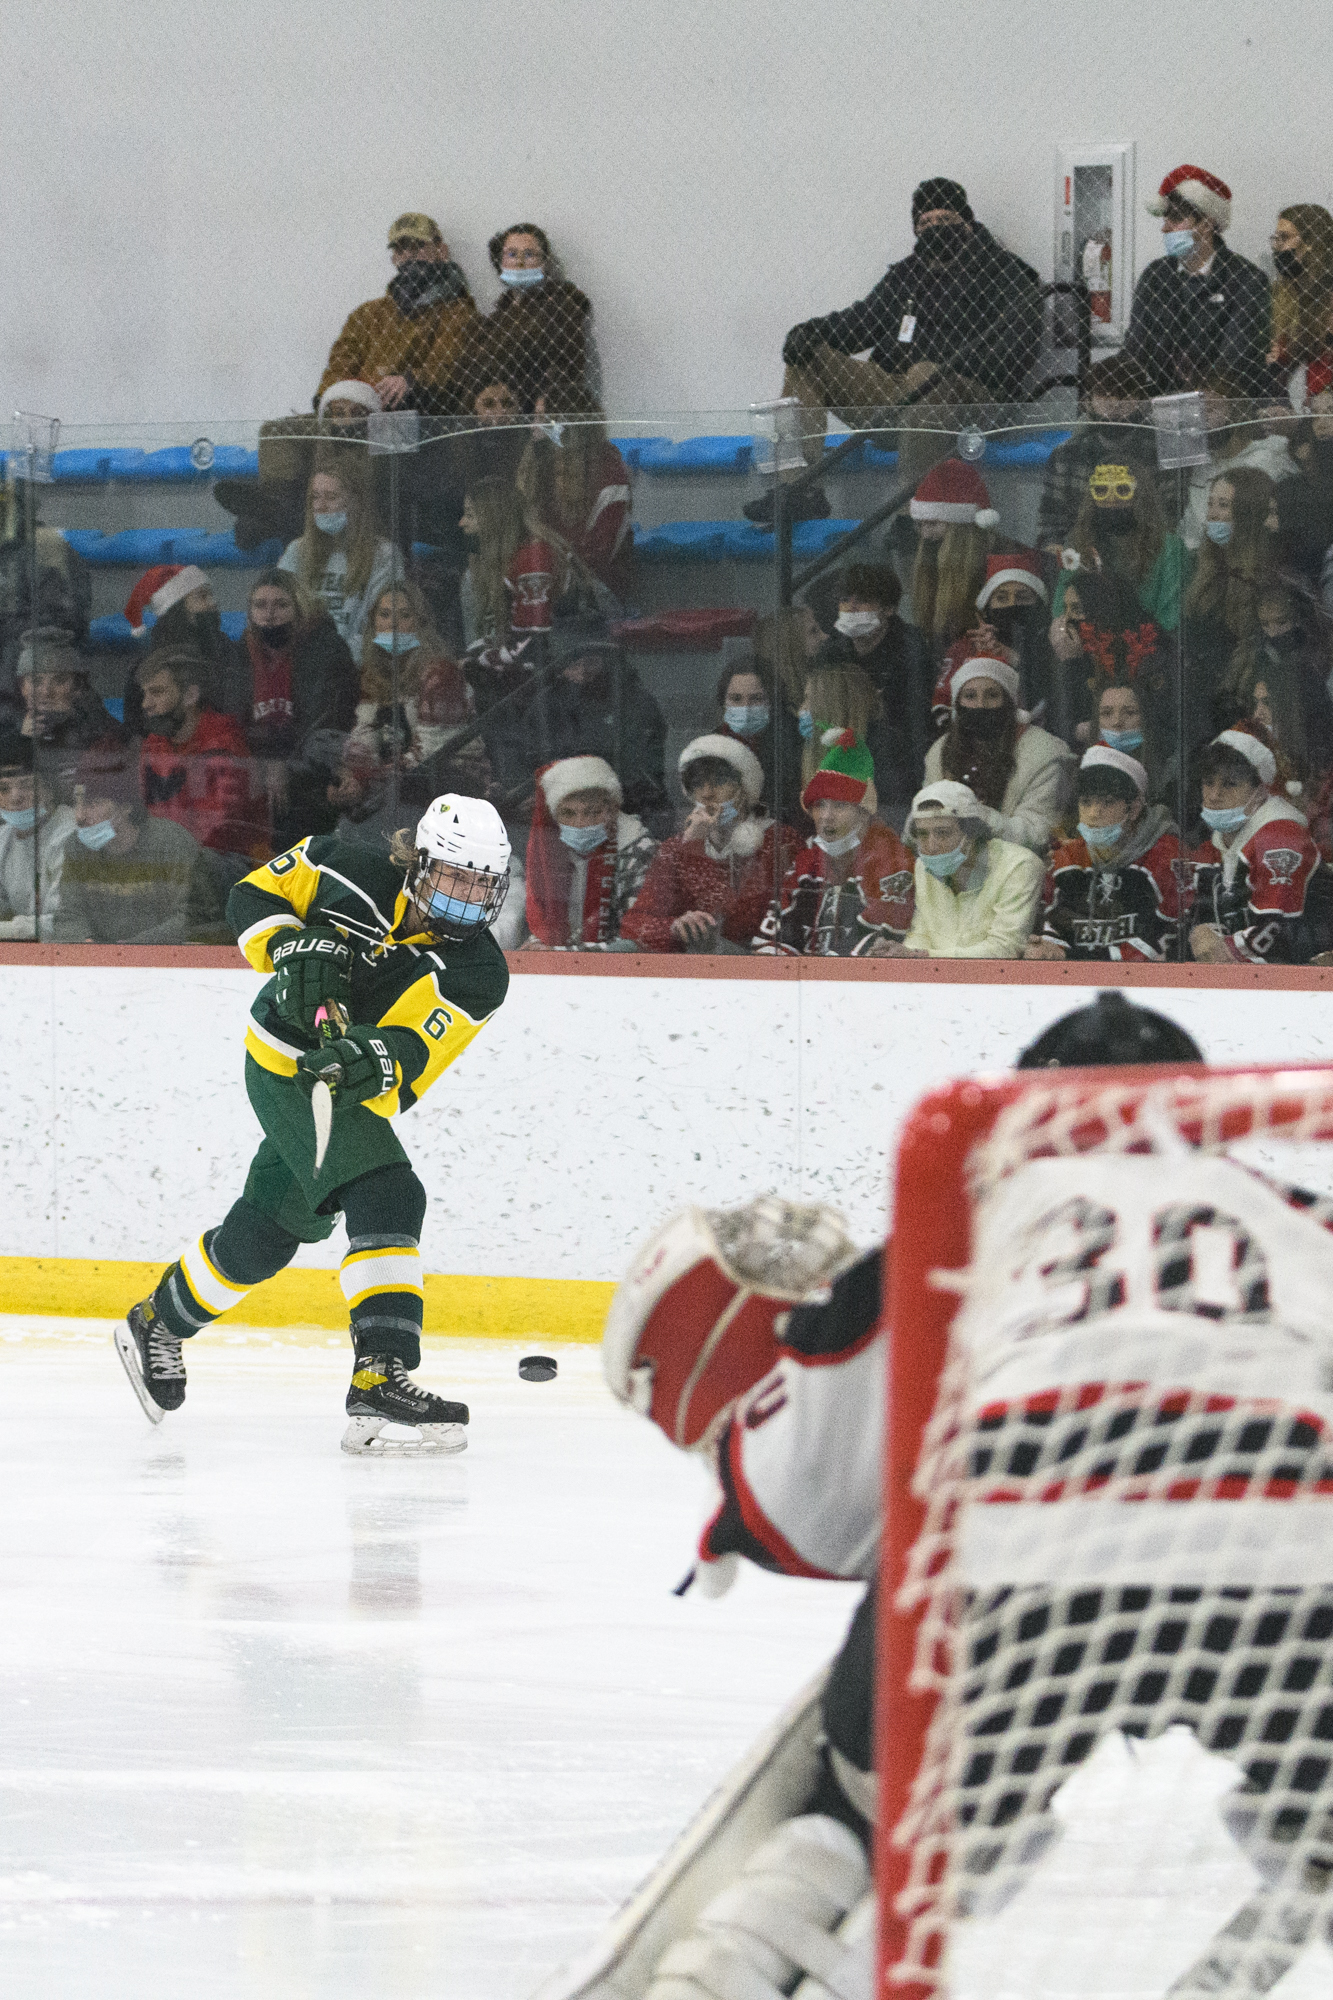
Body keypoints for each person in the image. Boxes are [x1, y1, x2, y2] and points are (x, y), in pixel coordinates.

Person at [114, 793, 512, 1456]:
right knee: (390, 1190)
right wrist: (289, 945)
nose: (468, 898)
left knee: (271, 1233)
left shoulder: (478, 971)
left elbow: (414, 1051)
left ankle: (158, 1320)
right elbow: (249, 894)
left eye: (483, 885)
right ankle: (380, 1370)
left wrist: (371, 1057)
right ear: (420, 864)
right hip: (280, 1061)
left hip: (346, 1088)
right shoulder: (340, 865)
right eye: (454, 877)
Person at [754, 176, 1043, 519]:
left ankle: (915, 512)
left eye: (945, 219)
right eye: (925, 222)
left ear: (966, 222)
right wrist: (811, 331)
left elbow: (1015, 354)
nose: (935, 228)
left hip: (972, 400)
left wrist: (939, 362)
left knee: (925, 374)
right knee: (807, 355)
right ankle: (798, 491)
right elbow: (860, 323)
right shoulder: (906, 276)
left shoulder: (1006, 272)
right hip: (899, 396)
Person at [215, 569, 360, 851]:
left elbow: (327, 723)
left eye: (280, 605)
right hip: (256, 768)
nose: (269, 614)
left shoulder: (327, 650)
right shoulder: (237, 655)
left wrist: (285, 766)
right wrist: (267, 763)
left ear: (299, 607)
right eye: (260, 605)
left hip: (312, 770)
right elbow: (232, 721)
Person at [619, 736, 793, 954]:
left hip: (746, 959)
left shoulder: (778, 840)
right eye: (698, 784)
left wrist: (694, 851)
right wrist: (673, 927)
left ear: (744, 787)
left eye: (719, 782)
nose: (707, 793)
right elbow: (633, 923)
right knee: (623, 948)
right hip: (687, 956)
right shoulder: (675, 846)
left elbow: (734, 924)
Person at [52, 741, 228, 945]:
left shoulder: (170, 842)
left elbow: (194, 918)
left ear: (125, 807)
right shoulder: (77, 845)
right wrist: (84, 943)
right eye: (76, 802)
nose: (79, 815)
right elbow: (68, 914)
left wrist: (134, 950)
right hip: (102, 963)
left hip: (164, 962)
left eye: (92, 803)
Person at [502, 614, 668, 829]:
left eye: (590, 661)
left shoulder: (635, 702)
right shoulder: (543, 707)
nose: (582, 672)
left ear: (605, 659)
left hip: (629, 814)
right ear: (558, 663)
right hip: (559, 819)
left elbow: (648, 772)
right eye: (573, 663)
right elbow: (524, 762)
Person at [757, 730, 915, 956]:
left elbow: (882, 936)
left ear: (864, 812)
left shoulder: (893, 859)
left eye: (840, 805)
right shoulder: (807, 860)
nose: (826, 816)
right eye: (820, 805)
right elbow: (775, 936)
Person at [1026, 746, 1186, 963]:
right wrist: (1048, 947)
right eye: (1086, 802)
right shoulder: (1067, 858)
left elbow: (1161, 942)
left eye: (1107, 802)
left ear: (1134, 808)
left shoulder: (1165, 855)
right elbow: (1056, 925)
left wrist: (1071, 957)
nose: (1093, 813)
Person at [1123, 165, 1271, 396]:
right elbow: (1136, 349)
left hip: (1224, 408)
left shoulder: (1247, 279)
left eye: (1176, 218)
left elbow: (1236, 359)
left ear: (1206, 222)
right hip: (1157, 405)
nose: (1165, 228)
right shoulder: (1155, 276)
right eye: (1165, 218)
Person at [316, 212, 477, 416]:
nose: (408, 256)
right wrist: (338, 398)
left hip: (415, 413)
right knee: (276, 431)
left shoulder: (458, 310)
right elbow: (338, 367)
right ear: (393, 259)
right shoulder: (367, 314)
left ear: (441, 251)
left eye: (417, 246)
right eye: (400, 249)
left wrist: (410, 381)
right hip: (355, 413)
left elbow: (449, 364)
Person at [1188, 727, 1323, 964]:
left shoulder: (1281, 836)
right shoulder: (1217, 843)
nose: (1214, 795)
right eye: (1208, 783)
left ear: (1260, 792)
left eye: (1230, 784)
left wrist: (1221, 947)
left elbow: (1278, 931)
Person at [922, 654, 1076, 855]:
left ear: (1009, 701)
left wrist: (982, 819)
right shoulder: (940, 751)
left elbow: (1039, 833)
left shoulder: (1043, 752)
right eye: (970, 696)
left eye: (992, 695)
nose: (980, 705)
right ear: (957, 703)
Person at [880, 778, 1043, 959]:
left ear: (971, 833)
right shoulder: (922, 865)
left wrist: (924, 956)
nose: (931, 846)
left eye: (942, 833)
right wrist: (901, 954)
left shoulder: (1019, 865)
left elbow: (1005, 948)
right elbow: (921, 934)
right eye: (922, 834)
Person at [822, 563, 930, 824]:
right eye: (845, 600)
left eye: (864, 601)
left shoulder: (912, 652)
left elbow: (914, 730)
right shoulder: (831, 654)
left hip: (897, 781)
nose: (851, 608)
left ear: (889, 609)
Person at [1181, 467, 1280, 741]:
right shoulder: (1205, 570)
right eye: (1211, 503)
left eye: (1223, 505)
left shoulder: (1266, 581)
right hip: (1197, 707)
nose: (1213, 514)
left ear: (1248, 513)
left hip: (1240, 710)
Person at [514, 382, 633, 607]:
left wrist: (549, 554)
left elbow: (598, 557)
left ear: (565, 424)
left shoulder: (608, 472)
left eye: (541, 418)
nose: (532, 426)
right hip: (545, 581)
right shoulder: (536, 464)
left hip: (595, 594)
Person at [452, 224, 592, 414]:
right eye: (511, 254)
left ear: (544, 262)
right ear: (500, 261)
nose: (519, 262)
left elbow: (566, 368)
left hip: (530, 416)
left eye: (529, 254)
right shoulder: (495, 319)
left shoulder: (560, 310)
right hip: (487, 418)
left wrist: (545, 405)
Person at [522, 755, 656, 949]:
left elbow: (637, 942)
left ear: (612, 810)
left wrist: (557, 954)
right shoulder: (548, 854)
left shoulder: (639, 850)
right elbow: (539, 923)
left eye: (592, 812)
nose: (580, 823)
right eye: (568, 813)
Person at [137, 650, 260, 861]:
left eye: (157, 693)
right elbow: (145, 816)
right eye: (145, 694)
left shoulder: (223, 746)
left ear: (190, 696)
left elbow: (216, 833)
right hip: (172, 863)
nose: (145, 704)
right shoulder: (153, 745)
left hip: (224, 866)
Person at [1218, 581, 1333, 795]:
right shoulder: (1251, 663)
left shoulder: (1314, 662)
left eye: (1281, 622)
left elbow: (1321, 729)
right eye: (1266, 624)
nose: (1273, 632)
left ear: (1297, 619)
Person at [1050, 458, 1187, 633]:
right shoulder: (1077, 543)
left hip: (1147, 649)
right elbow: (1060, 611)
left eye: (1123, 490)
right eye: (1101, 490)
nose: (1112, 499)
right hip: (1087, 649)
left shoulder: (1169, 548)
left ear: (1140, 495)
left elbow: (1171, 621)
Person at [1036, 352, 1156, 551]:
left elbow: (1168, 517)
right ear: (1089, 400)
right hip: (1083, 557)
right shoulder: (1066, 456)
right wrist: (1056, 551)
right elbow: (1050, 525)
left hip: (1146, 557)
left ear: (1140, 401)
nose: (1114, 404)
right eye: (1103, 394)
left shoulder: (1156, 452)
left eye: (1124, 394)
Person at [348, 581, 473, 771]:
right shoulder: (369, 674)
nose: (392, 623)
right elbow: (362, 741)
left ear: (420, 623)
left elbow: (432, 752)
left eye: (404, 615)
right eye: (384, 615)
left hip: (444, 782)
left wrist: (372, 776)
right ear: (373, 623)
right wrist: (354, 776)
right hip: (390, 783)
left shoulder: (442, 673)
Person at [279, 465, 402, 655]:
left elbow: (381, 627)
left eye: (331, 497)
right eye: (315, 497)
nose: (320, 506)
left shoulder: (384, 554)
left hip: (357, 666)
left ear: (356, 502)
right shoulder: (297, 550)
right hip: (304, 662)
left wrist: (337, 662)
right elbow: (283, 613)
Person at [930, 552, 1055, 735]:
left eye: (1022, 597)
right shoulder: (964, 648)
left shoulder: (1053, 645)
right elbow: (941, 703)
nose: (1012, 605)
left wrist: (1013, 658)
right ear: (987, 605)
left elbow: (1054, 700)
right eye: (1002, 598)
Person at [1048, 569, 1172, 752]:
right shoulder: (1083, 653)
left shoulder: (1147, 653)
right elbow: (1062, 726)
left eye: (1077, 609)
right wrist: (1069, 663)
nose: (1066, 620)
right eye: (1065, 609)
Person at [1175, 377, 1298, 552]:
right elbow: (1191, 531)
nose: (1202, 420)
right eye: (1196, 413)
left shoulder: (1272, 454)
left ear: (1235, 410)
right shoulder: (1201, 468)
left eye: (1209, 410)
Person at [908, 460, 1002, 662]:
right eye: (921, 525)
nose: (925, 534)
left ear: (960, 527)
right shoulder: (932, 562)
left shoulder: (990, 575)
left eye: (932, 524)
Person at [13, 626, 124, 796]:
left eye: (59, 680)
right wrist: (22, 742)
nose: (46, 691)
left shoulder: (99, 726)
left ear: (76, 687)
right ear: (23, 687)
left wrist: (74, 723)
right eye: (36, 681)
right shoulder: (8, 731)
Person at [0, 732, 76, 937]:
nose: (15, 798)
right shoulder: (3, 838)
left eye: (26, 785)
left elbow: (67, 922)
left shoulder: (73, 835)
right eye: (4, 789)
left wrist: (12, 929)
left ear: (50, 788)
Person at [714, 655, 803, 824]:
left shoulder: (795, 740)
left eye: (756, 699)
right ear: (723, 701)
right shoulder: (711, 745)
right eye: (736, 699)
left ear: (773, 701)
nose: (745, 708)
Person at [1267, 205, 1333, 407]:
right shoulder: (1281, 296)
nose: (1276, 247)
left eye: (1284, 238)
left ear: (1312, 244)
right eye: (1275, 239)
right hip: (1292, 415)